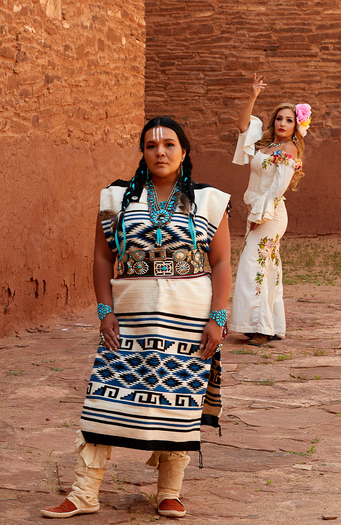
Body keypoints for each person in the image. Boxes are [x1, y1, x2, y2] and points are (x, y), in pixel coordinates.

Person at [41, 117, 231, 519]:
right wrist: (104, 310)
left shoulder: (210, 200)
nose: (160, 152)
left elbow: (221, 261)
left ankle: (169, 492)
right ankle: (83, 493)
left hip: (188, 320)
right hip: (128, 319)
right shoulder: (116, 199)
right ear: (143, 152)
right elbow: (101, 257)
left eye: (169, 145)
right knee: (103, 399)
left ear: (184, 152)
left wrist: (217, 318)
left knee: (177, 402)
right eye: (151, 145)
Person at [228, 74, 309, 346]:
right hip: (260, 211)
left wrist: (258, 215)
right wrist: (253, 95)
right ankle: (264, 324)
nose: (283, 123)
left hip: (271, 213)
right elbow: (242, 126)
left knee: (254, 265)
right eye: (279, 118)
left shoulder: (288, 149)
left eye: (289, 120)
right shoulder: (266, 146)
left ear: (296, 125)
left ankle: (261, 326)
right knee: (264, 266)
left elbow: (277, 189)